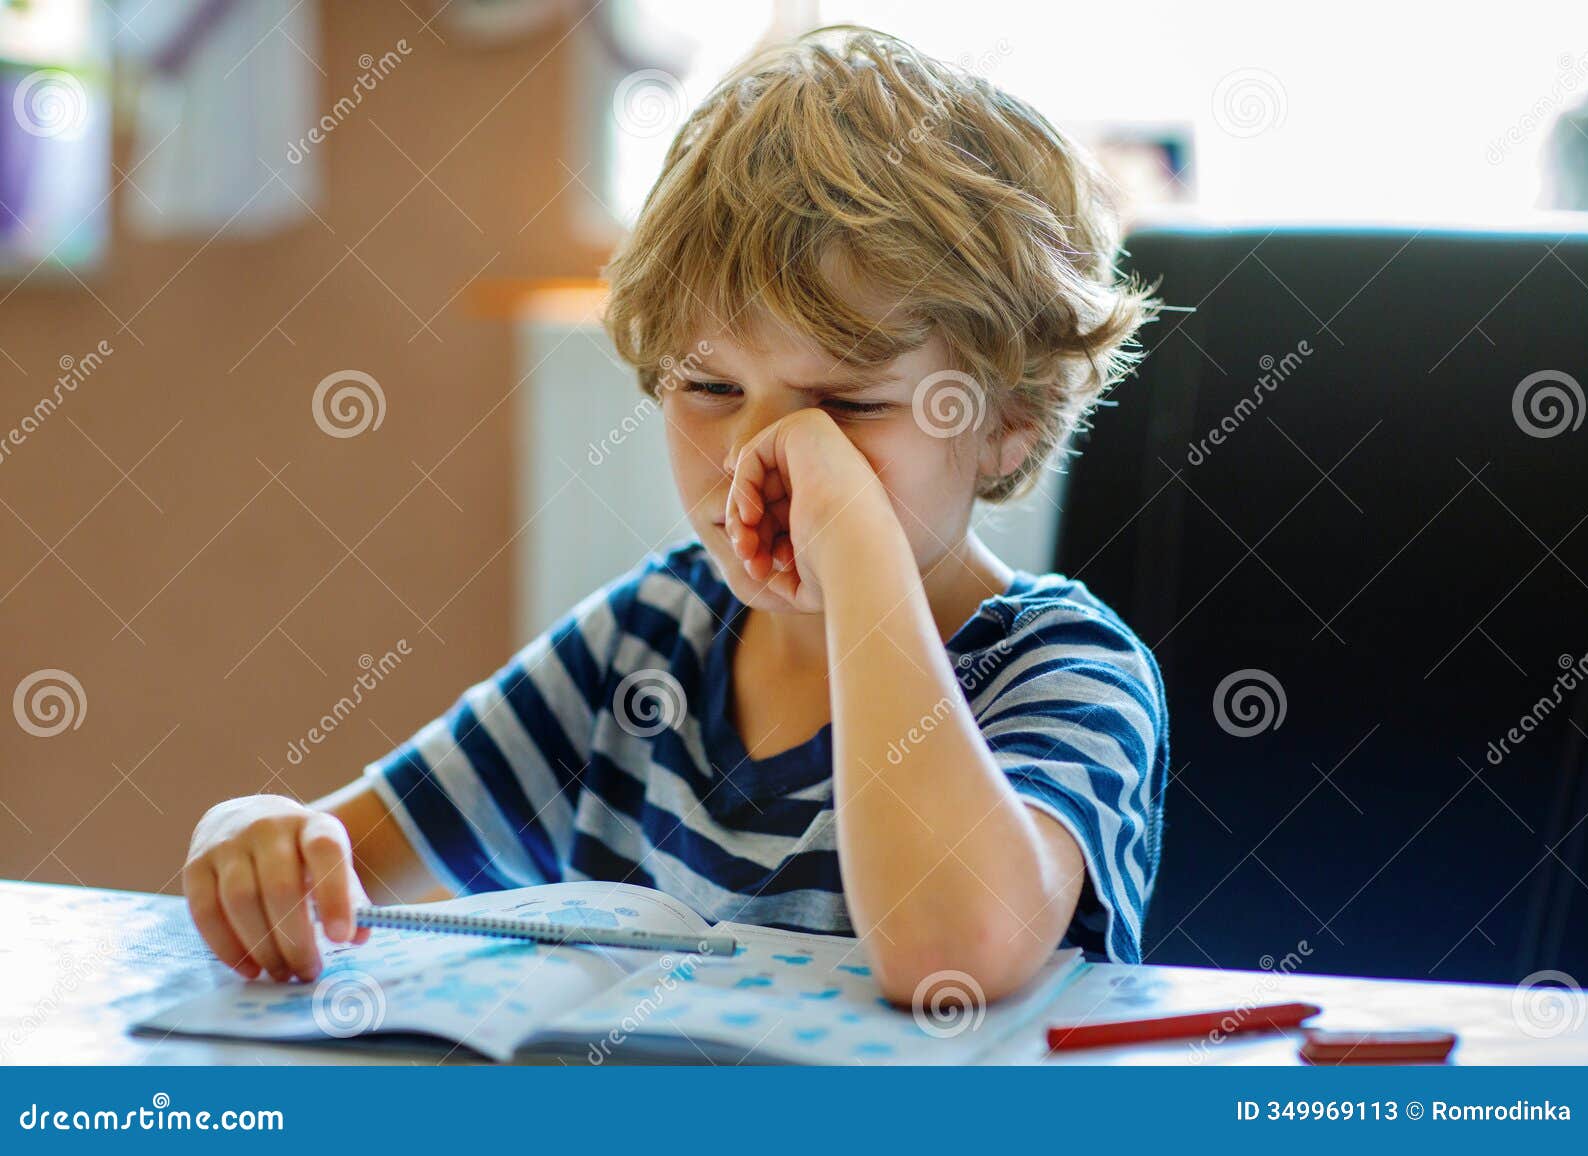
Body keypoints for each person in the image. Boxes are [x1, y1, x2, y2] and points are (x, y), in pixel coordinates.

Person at [183, 25, 1169, 1007]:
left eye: (847, 406)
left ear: (1008, 422)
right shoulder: (647, 636)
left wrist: (857, 548)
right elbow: (346, 864)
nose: (764, 458)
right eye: (708, 385)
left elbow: (948, 948)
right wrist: (259, 837)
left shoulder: (1068, 672)